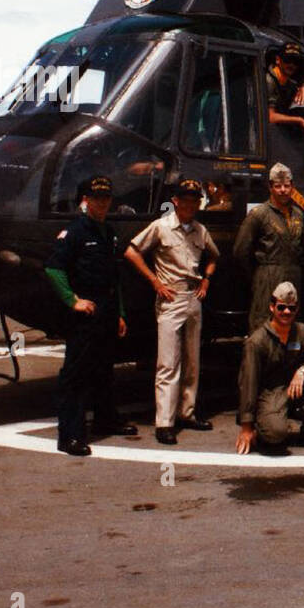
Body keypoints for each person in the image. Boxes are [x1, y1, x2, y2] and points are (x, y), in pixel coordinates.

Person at [45, 176, 135, 457]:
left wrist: (119, 313)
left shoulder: (108, 232)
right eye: (96, 197)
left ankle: (105, 419)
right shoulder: (74, 233)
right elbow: (53, 269)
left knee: (104, 370)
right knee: (76, 374)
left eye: (106, 197)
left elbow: (114, 278)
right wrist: (72, 300)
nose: (103, 202)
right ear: (85, 200)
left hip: (106, 311)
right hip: (86, 315)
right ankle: (69, 436)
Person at [124, 179, 219, 445]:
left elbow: (214, 257)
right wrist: (155, 282)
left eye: (194, 200)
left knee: (193, 360)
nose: (189, 204)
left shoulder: (200, 231)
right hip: (170, 297)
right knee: (168, 363)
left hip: (193, 297)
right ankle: (164, 422)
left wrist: (206, 280)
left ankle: (187, 413)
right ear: (175, 201)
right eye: (184, 199)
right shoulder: (161, 227)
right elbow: (132, 252)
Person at [235, 282, 304, 455]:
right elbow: (248, 384)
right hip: (269, 393)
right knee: (275, 435)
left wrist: (303, 370)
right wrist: (246, 426)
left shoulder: (303, 331)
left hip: (294, 386)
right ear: (272, 307)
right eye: (281, 307)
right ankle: (263, 428)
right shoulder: (256, 341)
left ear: (297, 309)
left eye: (291, 308)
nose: (287, 312)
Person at [233, 163, 303, 330]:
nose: (283, 190)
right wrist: (258, 276)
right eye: (278, 186)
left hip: (293, 275)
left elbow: (301, 247)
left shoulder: (298, 214)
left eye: (286, 186)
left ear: (292, 186)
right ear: (270, 187)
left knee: (291, 325)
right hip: (266, 277)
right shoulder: (259, 214)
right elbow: (240, 251)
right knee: (263, 325)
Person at [264, 42, 304, 139]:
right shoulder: (269, 81)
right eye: (288, 60)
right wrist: (299, 120)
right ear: (278, 60)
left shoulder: (290, 84)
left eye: (295, 62)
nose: (291, 65)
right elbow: (269, 117)